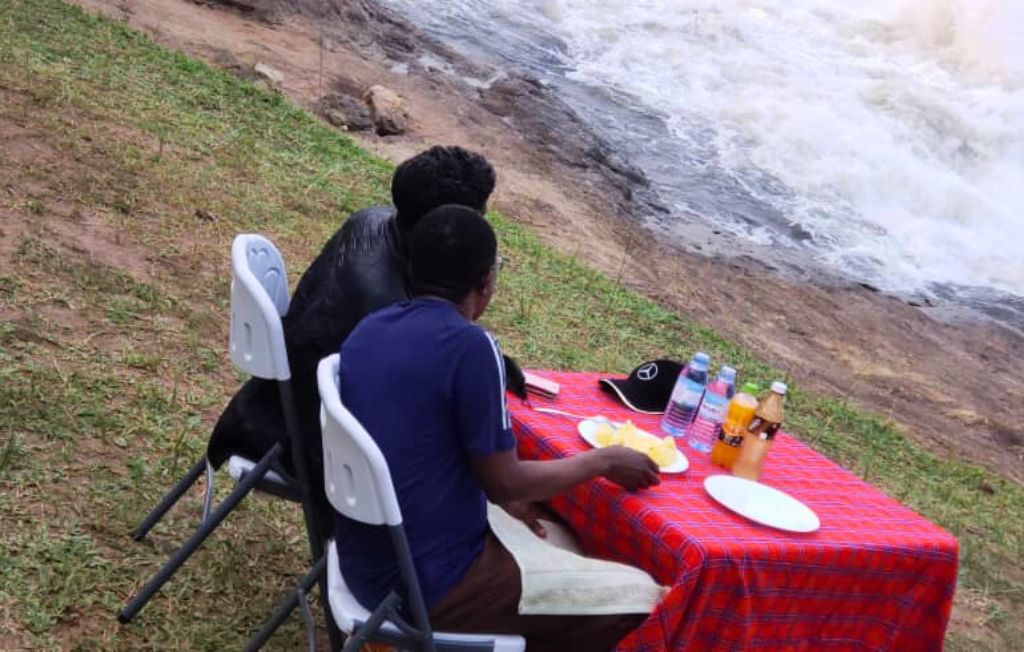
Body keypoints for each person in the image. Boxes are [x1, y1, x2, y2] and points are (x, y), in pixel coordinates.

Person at [335, 204, 658, 651]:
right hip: (427, 582)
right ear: (485, 282)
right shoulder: (472, 346)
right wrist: (602, 460)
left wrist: (497, 494)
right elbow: (505, 482)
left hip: (362, 556)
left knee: (548, 523)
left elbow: (427, 448)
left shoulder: (370, 328)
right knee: (641, 599)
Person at [207, 146, 505, 531]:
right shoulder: (389, 313)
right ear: (443, 228)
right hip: (314, 452)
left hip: (267, 409)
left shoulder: (372, 220)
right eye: (475, 220)